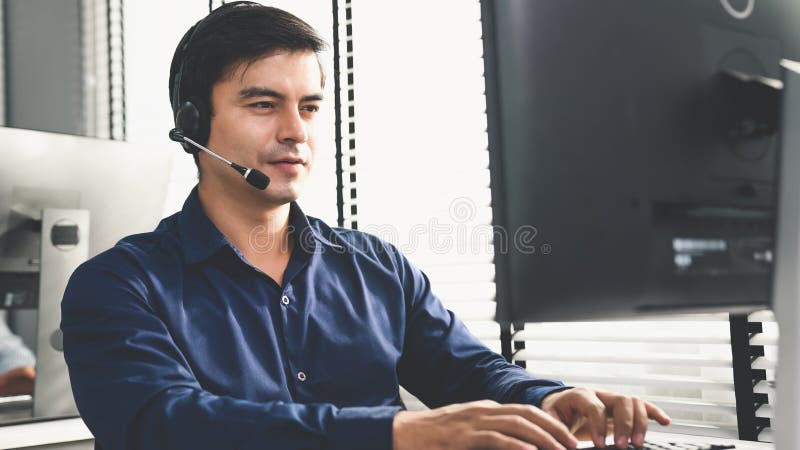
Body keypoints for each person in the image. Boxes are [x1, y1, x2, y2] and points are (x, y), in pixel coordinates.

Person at [61, 3, 671, 449]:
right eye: (263, 104)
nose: (295, 132)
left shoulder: (375, 266)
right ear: (193, 121)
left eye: (310, 107)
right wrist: (395, 431)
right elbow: (163, 423)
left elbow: (465, 370)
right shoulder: (117, 285)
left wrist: (548, 398)